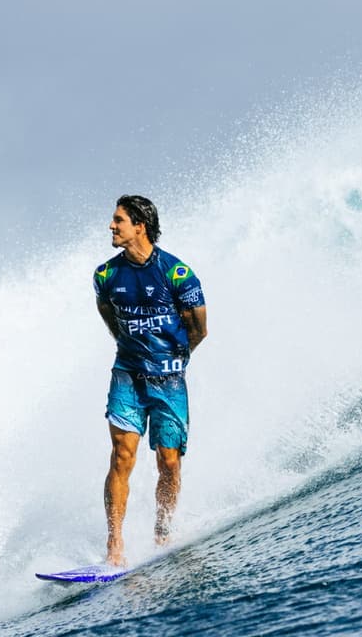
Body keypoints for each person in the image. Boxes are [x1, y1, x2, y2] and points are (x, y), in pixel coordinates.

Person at [93, 195, 208, 567]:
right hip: (127, 376)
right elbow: (110, 318)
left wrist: (171, 359)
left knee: (169, 463)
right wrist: (131, 349)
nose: (112, 226)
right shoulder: (106, 275)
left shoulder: (177, 274)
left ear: (139, 225)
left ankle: (162, 530)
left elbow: (199, 329)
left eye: (119, 220)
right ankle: (115, 546)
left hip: (169, 380)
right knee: (122, 456)